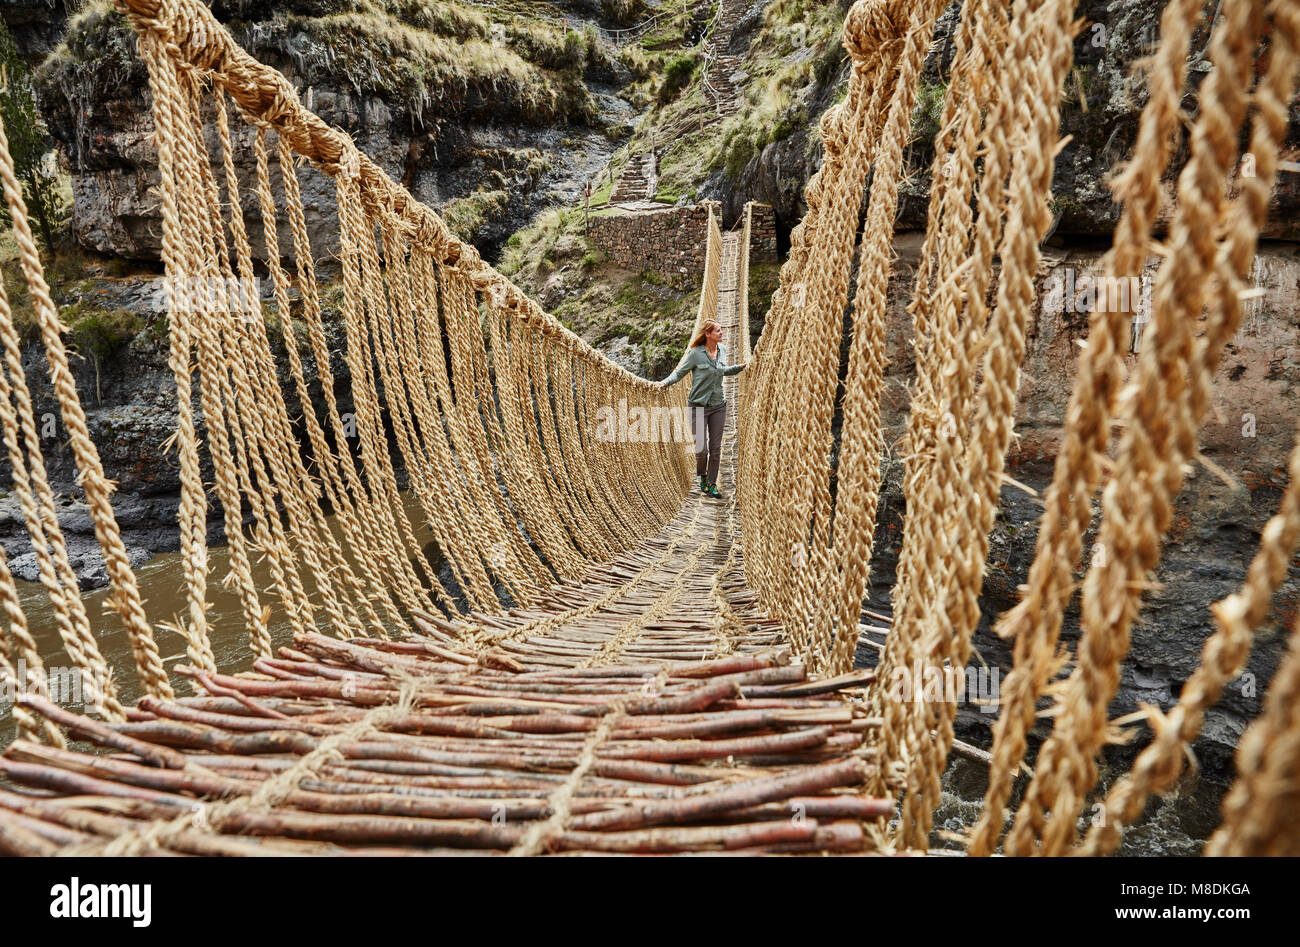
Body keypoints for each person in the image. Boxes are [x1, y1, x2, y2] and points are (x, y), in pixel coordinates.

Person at [658, 319, 745, 498]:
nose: (722, 333)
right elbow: (679, 373)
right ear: (708, 334)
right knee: (701, 450)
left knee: (715, 448)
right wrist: (664, 383)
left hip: (718, 406)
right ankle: (703, 476)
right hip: (697, 406)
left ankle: (712, 484)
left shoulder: (723, 351)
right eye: (718, 331)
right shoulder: (695, 354)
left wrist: (739, 368)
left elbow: (722, 371)